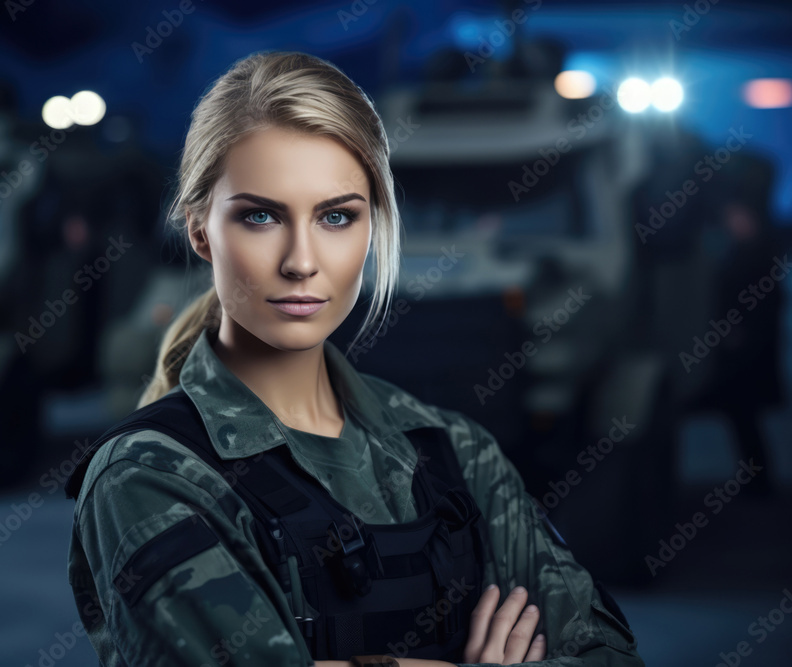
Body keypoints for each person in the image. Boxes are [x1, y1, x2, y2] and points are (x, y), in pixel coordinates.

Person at [64, 50, 644, 666]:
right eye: (260, 216)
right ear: (200, 231)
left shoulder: (453, 449)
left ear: (374, 229)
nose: (301, 261)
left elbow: (611, 657)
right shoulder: (149, 476)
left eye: (337, 216)